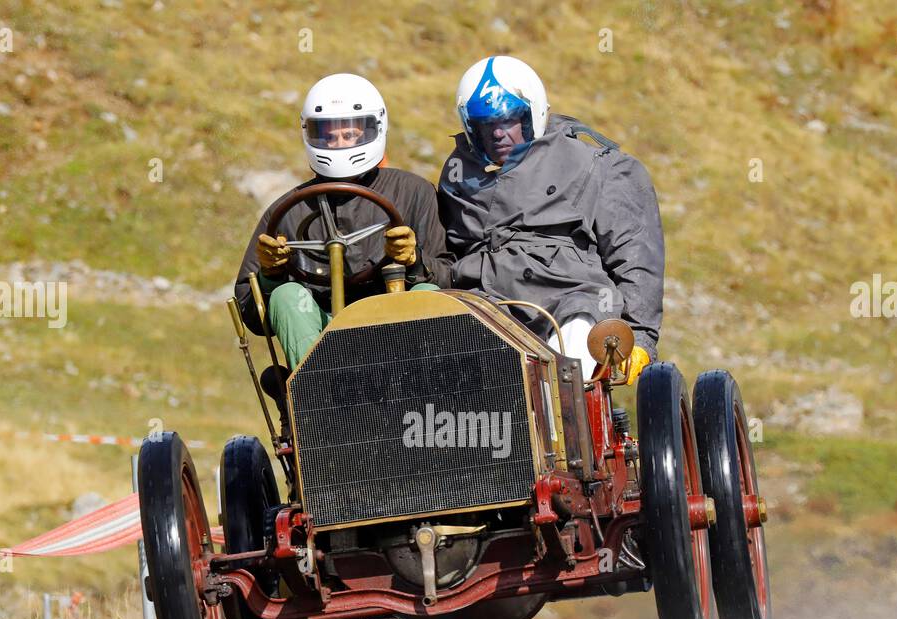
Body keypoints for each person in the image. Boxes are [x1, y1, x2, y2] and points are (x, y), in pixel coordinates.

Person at [437, 56, 664, 383]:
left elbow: (635, 255)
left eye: (509, 120)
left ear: (533, 113)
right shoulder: (457, 177)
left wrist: (640, 338)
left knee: (566, 372)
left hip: (571, 302)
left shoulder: (593, 164)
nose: (499, 133)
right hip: (482, 306)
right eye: (487, 125)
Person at [234, 73, 450, 376]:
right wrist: (271, 275)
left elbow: (449, 276)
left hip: (393, 327)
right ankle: (320, 398)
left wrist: (413, 262)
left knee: (427, 292)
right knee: (285, 296)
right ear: (310, 134)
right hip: (321, 338)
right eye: (329, 136)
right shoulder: (286, 211)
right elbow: (251, 312)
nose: (339, 144)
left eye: (349, 135)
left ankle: (418, 396)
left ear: (375, 128)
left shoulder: (414, 191)